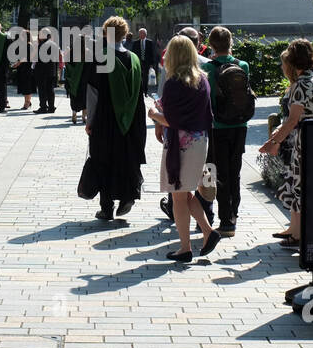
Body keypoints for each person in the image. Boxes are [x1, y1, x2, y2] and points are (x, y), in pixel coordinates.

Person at [148, 36, 223, 261]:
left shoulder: (173, 83)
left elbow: (173, 119)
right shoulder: (203, 80)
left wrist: (154, 115)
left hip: (180, 146)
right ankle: (208, 232)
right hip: (199, 142)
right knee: (186, 192)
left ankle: (185, 248)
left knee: (179, 196)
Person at [257, 38, 313, 247]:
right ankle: (295, 229)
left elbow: (293, 119)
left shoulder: (301, 85)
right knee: (298, 182)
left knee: (299, 184)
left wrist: (274, 142)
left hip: (304, 140)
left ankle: (298, 234)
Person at [80, 16, 146, 221]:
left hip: (106, 119)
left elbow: (93, 93)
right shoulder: (134, 59)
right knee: (128, 157)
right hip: (133, 119)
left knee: (104, 159)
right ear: (125, 35)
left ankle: (106, 207)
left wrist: (90, 120)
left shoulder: (101, 57)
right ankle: (128, 197)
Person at [201, 26, 250, 238]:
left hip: (216, 127)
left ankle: (223, 219)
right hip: (240, 126)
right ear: (231, 42)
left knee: (217, 173)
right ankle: (234, 214)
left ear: (211, 44)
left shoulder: (208, 68)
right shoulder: (243, 65)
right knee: (235, 171)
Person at [129, 28, 160, 98]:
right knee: (139, 77)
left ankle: (145, 91)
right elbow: (133, 52)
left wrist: (152, 63)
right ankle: (139, 91)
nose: (140, 35)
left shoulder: (150, 42)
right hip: (138, 62)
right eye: (140, 33)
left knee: (145, 77)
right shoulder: (136, 43)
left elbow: (152, 53)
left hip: (147, 62)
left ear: (145, 34)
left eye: (142, 33)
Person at [33, 28, 58, 114]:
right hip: (51, 70)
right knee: (50, 89)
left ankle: (43, 107)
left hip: (42, 71)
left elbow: (38, 59)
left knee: (42, 89)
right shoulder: (54, 44)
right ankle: (51, 107)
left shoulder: (41, 45)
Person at [12, 30, 36, 111]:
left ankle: (27, 102)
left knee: (27, 86)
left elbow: (28, 57)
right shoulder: (23, 45)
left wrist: (18, 63)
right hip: (22, 68)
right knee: (24, 86)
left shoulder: (30, 45)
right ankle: (27, 101)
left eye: (22, 35)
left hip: (27, 68)